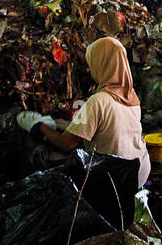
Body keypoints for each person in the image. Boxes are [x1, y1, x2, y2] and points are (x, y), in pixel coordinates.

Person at [24, 36, 150, 191]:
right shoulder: (130, 95)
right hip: (140, 171)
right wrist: (65, 124)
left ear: (102, 64)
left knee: (41, 154)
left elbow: (66, 144)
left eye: (92, 64)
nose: (90, 69)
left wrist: (40, 125)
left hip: (115, 179)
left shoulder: (98, 100)